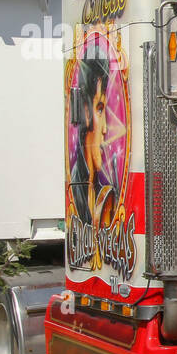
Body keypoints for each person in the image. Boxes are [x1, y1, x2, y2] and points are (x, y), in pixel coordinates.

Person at [69, 41, 119, 236]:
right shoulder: (77, 189)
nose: (106, 129)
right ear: (84, 112)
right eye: (100, 109)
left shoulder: (105, 192)